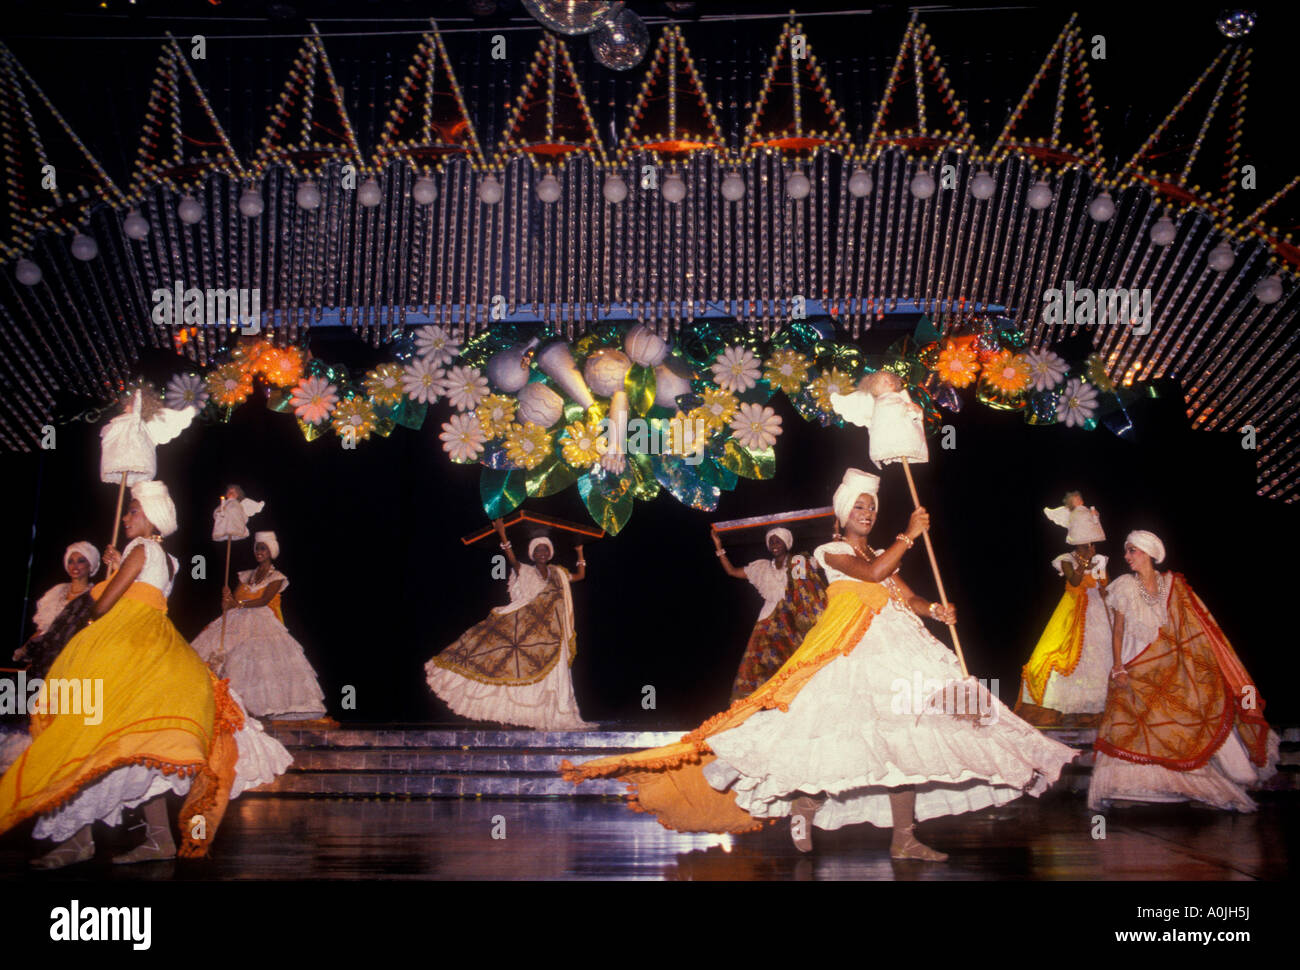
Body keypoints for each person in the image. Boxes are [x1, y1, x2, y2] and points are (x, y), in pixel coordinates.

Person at [563, 469, 1077, 859]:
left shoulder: (883, 549)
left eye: (872, 505)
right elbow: (874, 571)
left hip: (901, 649)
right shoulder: (830, 551)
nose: (867, 511)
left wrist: (935, 610)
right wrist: (910, 534)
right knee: (826, 732)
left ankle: (904, 839)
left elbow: (904, 591)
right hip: (852, 654)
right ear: (840, 516)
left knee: (905, 738)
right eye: (859, 506)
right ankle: (803, 810)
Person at [0, 481, 290, 868]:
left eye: (133, 510)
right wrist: (119, 566)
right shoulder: (169, 560)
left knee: (85, 735)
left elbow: (103, 605)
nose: (125, 516)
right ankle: (157, 839)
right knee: (143, 746)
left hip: (123, 643)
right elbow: (146, 590)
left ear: (151, 516)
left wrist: (108, 577)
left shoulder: (141, 548)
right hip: (159, 645)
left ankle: (79, 842)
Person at [1088, 530, 1278, 812]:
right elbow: (1118, 633)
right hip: (1135, 664)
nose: (1127, 557)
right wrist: (1118, 668)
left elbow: (1197, 626)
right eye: (1126, 551)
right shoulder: (1125, 585)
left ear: (1149, 553)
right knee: (1134, 724)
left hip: (1172, 668)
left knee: (1186, 718)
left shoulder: (1173, 584)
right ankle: (1136, 787)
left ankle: (1200, 783)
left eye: (1133, 551)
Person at [426, 518, 592, 731]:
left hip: (554, 635)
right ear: (532, 554)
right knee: (512, 665)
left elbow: (580, 575)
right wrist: (502, 534)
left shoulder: (558, 573)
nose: (542, 553)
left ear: (550, 553)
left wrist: (579, 551)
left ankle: (551, 716)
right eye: (538, 550)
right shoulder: (525, 570)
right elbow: (510, 557)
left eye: (545, 550)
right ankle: (514, 714)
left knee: (555, 677)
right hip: (530, 633)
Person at [190, 531, 327, 721]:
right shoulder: (246, 575)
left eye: (263, 548)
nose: (259, 552)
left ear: (270, 551)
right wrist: (228, 599)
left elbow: (264, 600)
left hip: (261, 621)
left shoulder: (277, 577)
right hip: (237, 619)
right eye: (257, 548)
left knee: (257, 660)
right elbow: (235, 599)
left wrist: (237, 604)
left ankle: (261, 708)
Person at [1016, 493, 1111, 727]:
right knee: (1056, 657)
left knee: (1099, 659)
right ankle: (1066, 709)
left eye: (1091, 542)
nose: (1089, 546)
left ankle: (1093, 708)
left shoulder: (1100, 560)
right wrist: (1086, 563)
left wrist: (1109, 603)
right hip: (1071, 610)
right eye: (1085, 542)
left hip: (1097, 612)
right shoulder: (1066, 559)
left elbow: (1103, 586)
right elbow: (1076, 581)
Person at [711, 526, 828, 701]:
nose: (774, 544)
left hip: (795, 619)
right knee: (756, 666)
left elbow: (828, 561)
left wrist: (836, 536)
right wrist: (718, 547)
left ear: (787, 543)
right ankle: (749, 707)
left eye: (778, 540)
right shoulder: (762, 568)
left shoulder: (798, 562)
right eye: (771, 541)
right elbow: (732, 571)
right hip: (768, 620)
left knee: (796, 664)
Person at [13, 542, 100, 680]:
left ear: (91, 565)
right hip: (45, 657)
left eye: (81, 561)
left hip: (71, 661)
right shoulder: (57, 592)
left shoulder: (95, 596)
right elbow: (44, 629)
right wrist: (24, 649)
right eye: (71, 561)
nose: (75, 566)